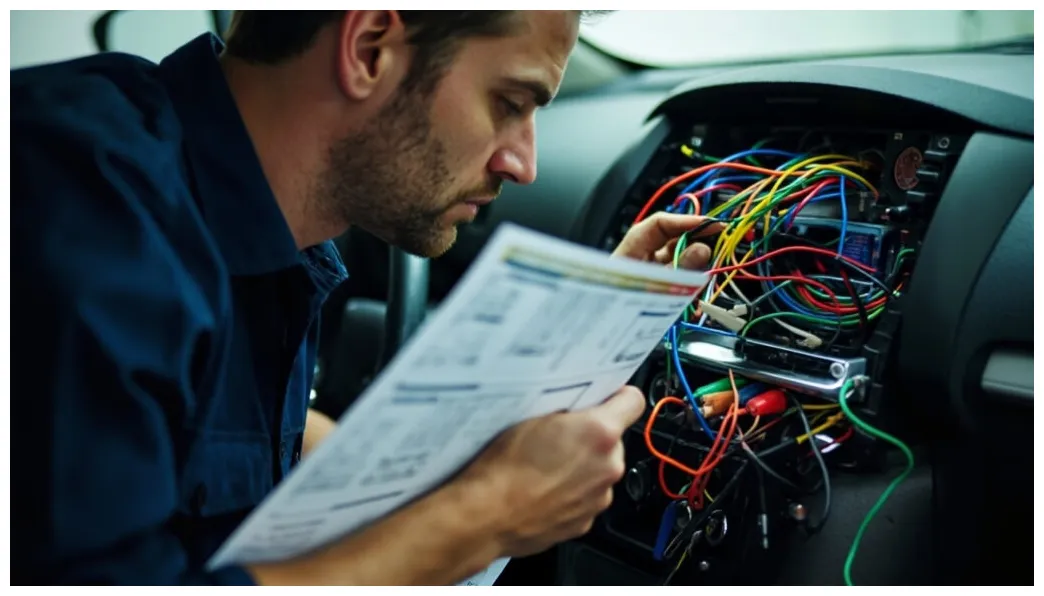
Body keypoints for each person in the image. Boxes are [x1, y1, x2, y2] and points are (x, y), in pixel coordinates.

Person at [11, 10, 716, 585]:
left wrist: (579, 335)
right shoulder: (77, 210)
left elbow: (240, 445)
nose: (523, 163)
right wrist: (487, 516)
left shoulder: (271, 234)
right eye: (509, 103)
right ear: (370, 47)